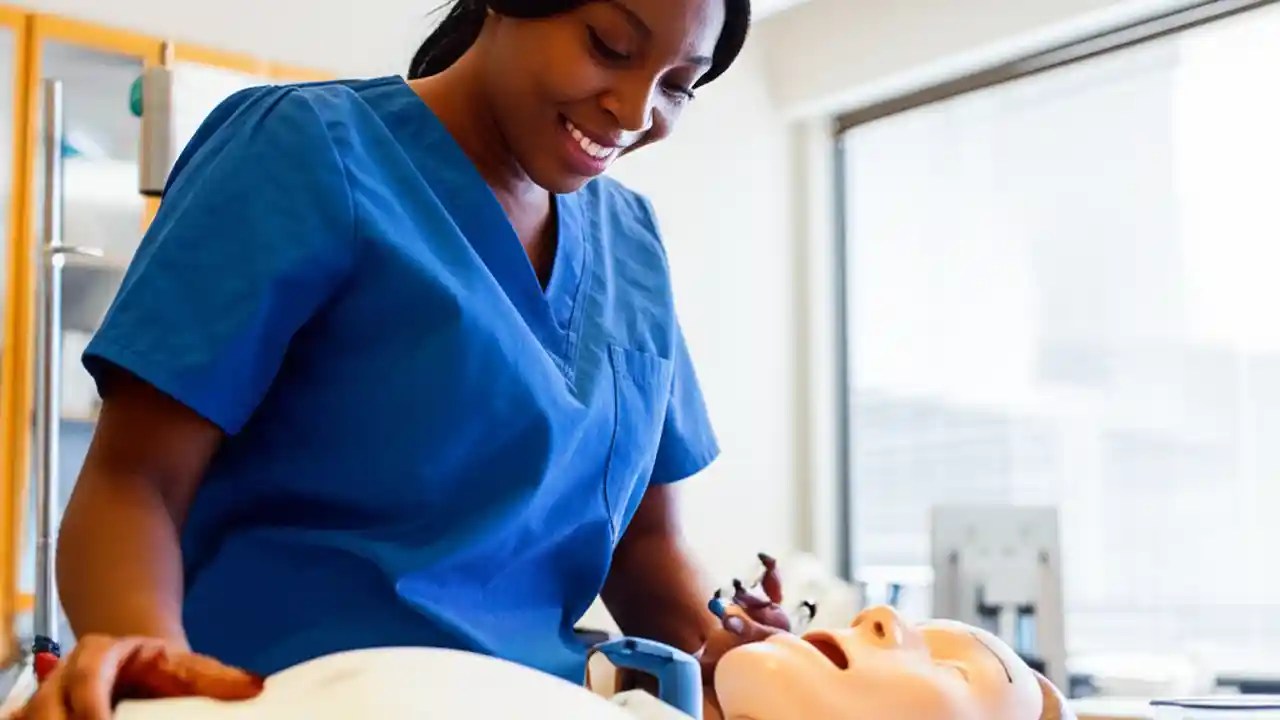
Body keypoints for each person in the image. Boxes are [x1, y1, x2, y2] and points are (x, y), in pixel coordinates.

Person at [13, 0, 769, 717]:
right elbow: (133, 483)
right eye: (609, 46)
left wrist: (752, 663)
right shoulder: (305, 149)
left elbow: (646, 549)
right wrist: (158, 677)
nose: (636, 113)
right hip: (281, 702)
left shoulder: (631, 243)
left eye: (678, 86)